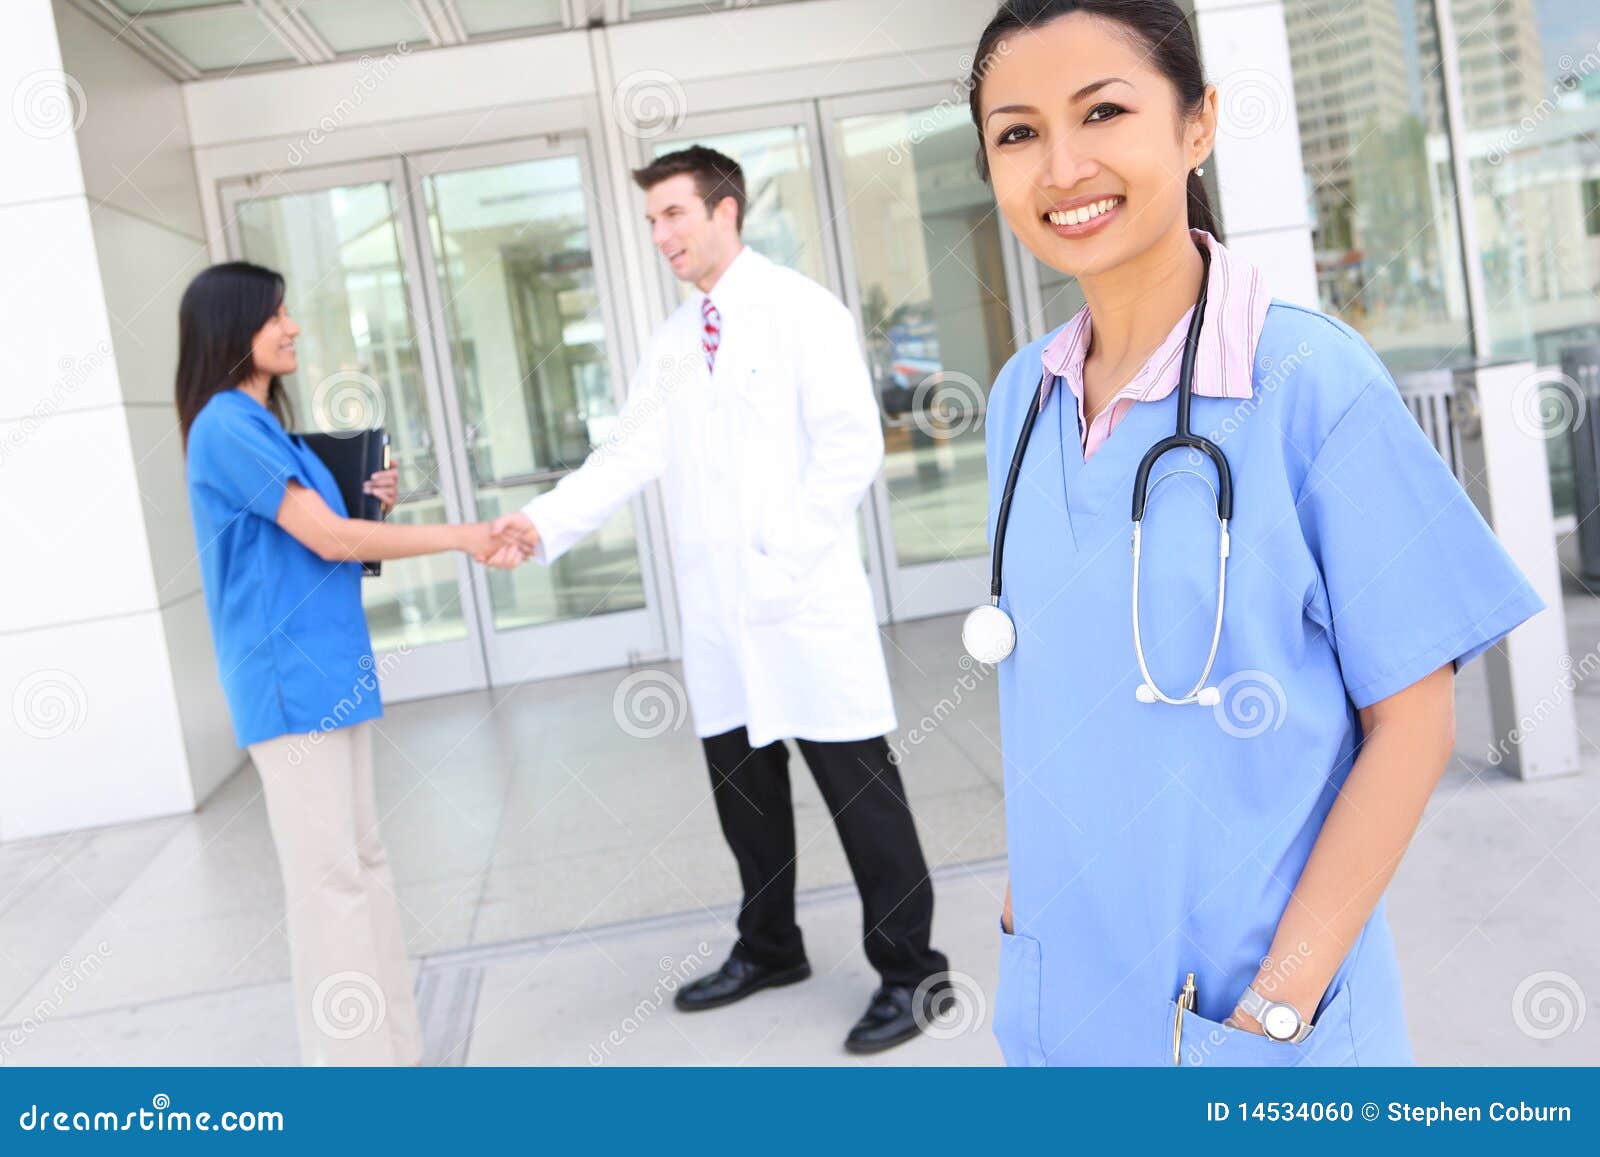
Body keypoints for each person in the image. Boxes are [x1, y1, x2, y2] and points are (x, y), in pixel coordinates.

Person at [966, 0, 1544, 1066]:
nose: (1061, 166)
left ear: (1196, 126)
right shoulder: (1021, 396)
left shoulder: (1310, 382)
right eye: (1016, 132)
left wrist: (1278, 1005)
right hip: (1065, 991)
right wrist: (1021, 903)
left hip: (1246, 1017)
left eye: (1102, 112)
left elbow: (1412, 721)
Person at [483, 147, 951, 1053]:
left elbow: (851, 445)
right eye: (651, 219)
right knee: (746, 795)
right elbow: (625, 456)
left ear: (725, 210)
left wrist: (783, 558)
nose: (659, 235)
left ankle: (913, 972)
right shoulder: (671, 343)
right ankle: (770, 945)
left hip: (801, 604)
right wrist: (540, 524)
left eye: (672, 214)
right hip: (719, 620)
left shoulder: (802, 312)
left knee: (863, 797)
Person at [177, 262, 526, 1065]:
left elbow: (333, 534)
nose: (293, 326)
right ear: (232, 330)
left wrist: (369, 498)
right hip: (286, 680)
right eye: (275, 316)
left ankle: (396, 1062)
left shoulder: (267, 428)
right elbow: (328, 539)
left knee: (363, 869)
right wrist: (464, 536)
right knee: (329, 886)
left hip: (330, 670)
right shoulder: (224, 425)